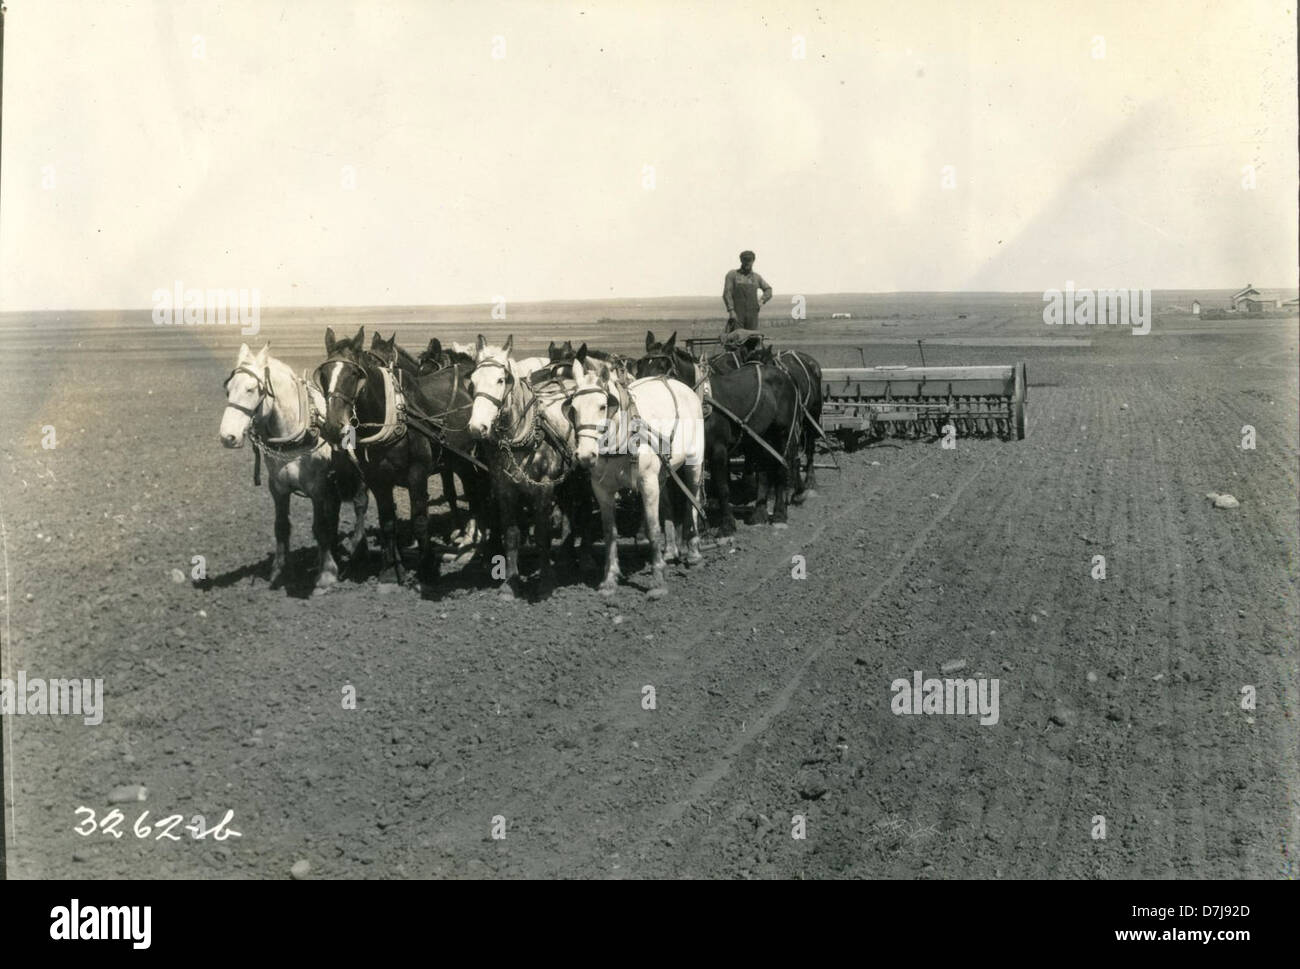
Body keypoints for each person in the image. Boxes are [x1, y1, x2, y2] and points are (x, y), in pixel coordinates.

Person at [723, 250, 772, 332]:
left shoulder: (756, 277)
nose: (747, 262)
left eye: (750, 260)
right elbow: (727, 293)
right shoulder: (732, 275)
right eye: (745, 259)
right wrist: (731, 310)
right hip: (738, 314)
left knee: (752, 338)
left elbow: (768, 290)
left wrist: (761, 302)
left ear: (753, 261)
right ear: (741, 260)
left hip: (752, 315)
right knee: (737, 339)